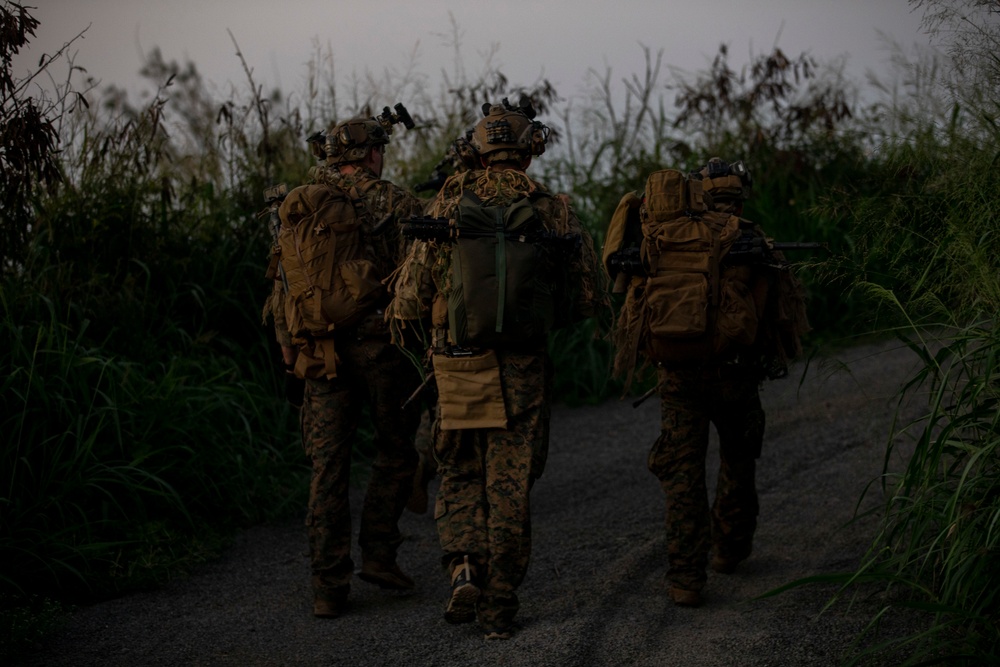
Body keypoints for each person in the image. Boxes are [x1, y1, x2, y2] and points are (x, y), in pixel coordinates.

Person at [387, 99, 607, 639]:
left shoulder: (447, 201)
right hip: (525, 365)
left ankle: (463, 565)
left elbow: (408, 300)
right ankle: (499, 607)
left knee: (460, 467)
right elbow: (588, 298)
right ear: (531, 149)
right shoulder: (551, 208)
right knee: (509, 483)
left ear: (478, 149)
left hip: (458, 359)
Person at [610, 158, 810, 607]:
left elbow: (633, 304)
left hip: (679, 378)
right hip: (736, 374)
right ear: (740, 196)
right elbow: (776, 316)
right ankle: (730, 549)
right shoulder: (748, 238)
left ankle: (685, 579)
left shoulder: (660, 237)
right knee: (739, 460)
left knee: (682, 475)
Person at [263, 111, 424, 618]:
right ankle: (378, 553)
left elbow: (282, 285)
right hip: (381, 350)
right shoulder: (396, 202)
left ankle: (327, 587)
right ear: (372, 153)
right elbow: (420, 281)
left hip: (319, 352)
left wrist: (289, 348)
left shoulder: (299, 205)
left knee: (327, 468)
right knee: (397, 451)